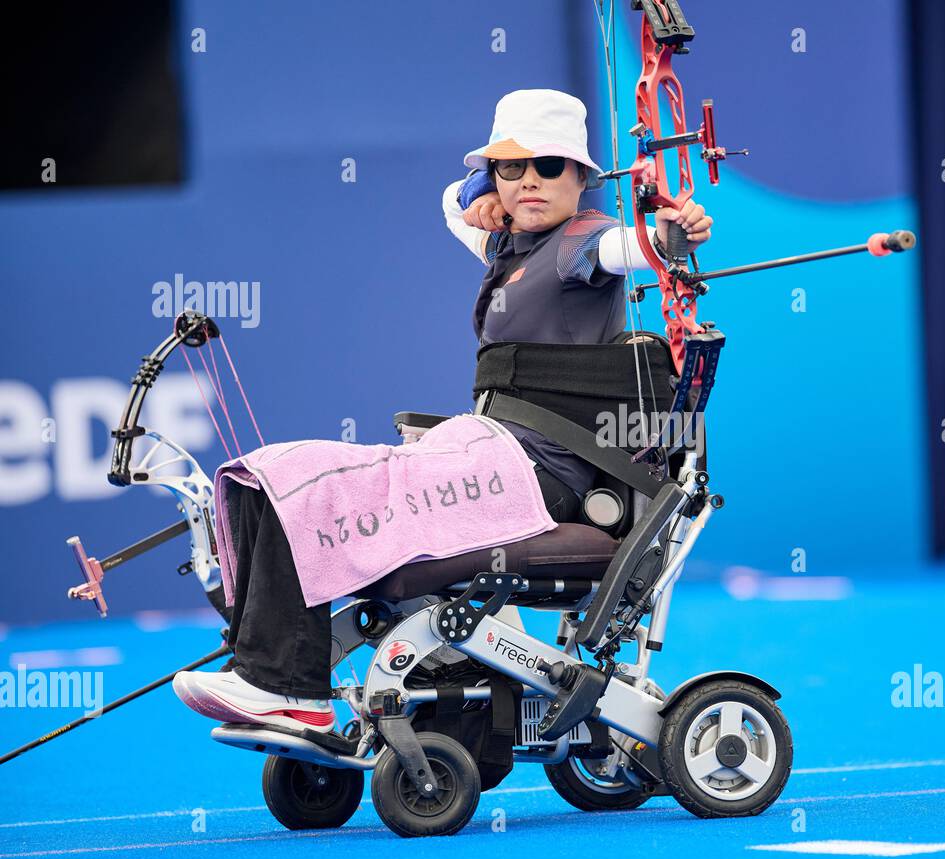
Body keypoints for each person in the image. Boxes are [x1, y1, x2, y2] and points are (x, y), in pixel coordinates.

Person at [173, 88, 712, 733]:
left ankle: (286, 688)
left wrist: (667, 237)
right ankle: (271, 675)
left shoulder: (580, 243)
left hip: (537, 478)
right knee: (272, 471)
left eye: (549, 166)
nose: (530, 181)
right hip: (488, 457)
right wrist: (476, 194)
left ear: (581, 177)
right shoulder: (508, 250)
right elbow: (449, 207)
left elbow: (626, 248)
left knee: (314, 484)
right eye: (512, 168)